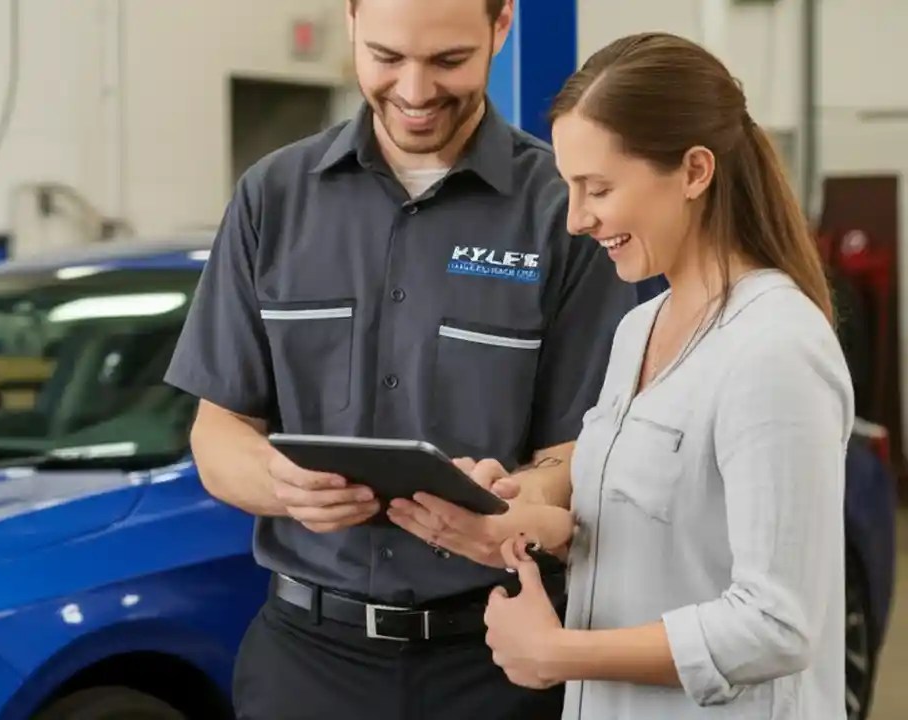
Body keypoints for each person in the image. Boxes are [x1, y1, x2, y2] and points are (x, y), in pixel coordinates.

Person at [163, 0, 636, 717]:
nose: (414, 92)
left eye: (448, 61)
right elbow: (218, 429)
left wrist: (517, 499)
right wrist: (283, 484)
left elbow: (585, 450)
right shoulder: (273, 198)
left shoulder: (562, 213)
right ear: (350, 21)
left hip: (496, 660)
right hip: (307, 663)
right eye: (387, 58)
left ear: (501, 26)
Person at [391, 32, 855, 719]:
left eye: (599, 189)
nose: (577, 220)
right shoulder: (642, 326)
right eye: (570, 190)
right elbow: (656, 533)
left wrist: (558, 654)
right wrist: (526, 522)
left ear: (695, 172)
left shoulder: (774, 349)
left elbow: (777, 623)